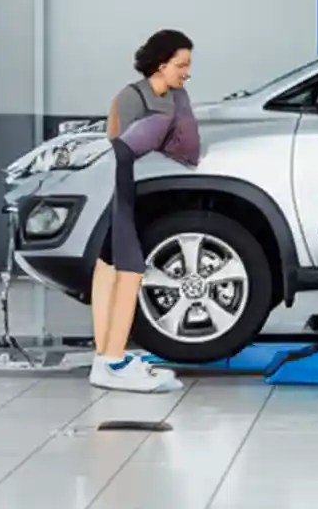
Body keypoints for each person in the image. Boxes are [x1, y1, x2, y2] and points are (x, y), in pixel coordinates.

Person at [88, 29, 201, 393]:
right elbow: (115, 148)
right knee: (127, 268)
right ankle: (112, 360)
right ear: (160, 63)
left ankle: (107, 358)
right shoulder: (131, 97)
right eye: (181, 65)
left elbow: (188, 148)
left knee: (110, 264)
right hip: (122, 185)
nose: (186, 72)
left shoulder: (176, 97)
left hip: (146, 189)